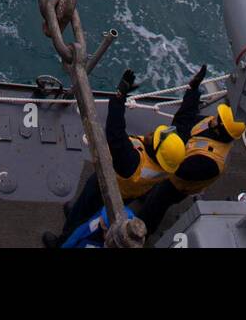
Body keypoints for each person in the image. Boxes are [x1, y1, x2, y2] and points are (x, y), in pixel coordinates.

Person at [42, 63, 207, 247]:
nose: (153, 133)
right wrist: (193, 90)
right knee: (88, 211)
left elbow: (115, 133)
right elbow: (184, 123)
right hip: (128, 196)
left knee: (82, 216)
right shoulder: (172, 157)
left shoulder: (132, 162)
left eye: (156, 137)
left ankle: (62, 240)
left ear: (155, 147)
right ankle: (77, 214)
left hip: (105, 188)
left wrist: (120, 97)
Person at [133, 101, 246, 234]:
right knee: (152, 194)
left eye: (218, 118)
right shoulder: (211, 125)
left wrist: (162, 150)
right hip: (177, 169)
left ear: (221, 128)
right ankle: (144, 197)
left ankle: (140, 232)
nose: (214, 117)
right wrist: (192, 94)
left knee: (156, 205)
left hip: (177, 186)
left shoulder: (210, 162)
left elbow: (180, 169)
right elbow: (186, 122)